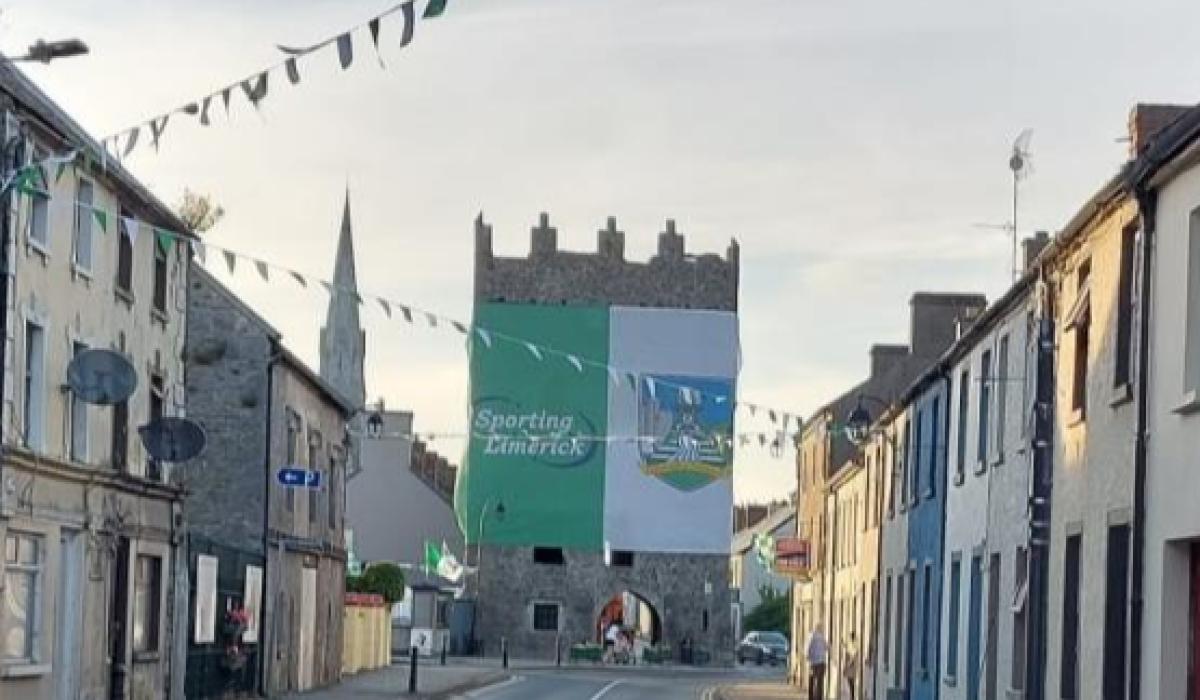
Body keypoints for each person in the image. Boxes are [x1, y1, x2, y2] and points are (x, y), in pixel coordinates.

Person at [805, 624, 829, 700]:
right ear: (819, 628)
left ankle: (811, 697)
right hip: (821, 662)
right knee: (819, 681)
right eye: (822, 628)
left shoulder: (810, 636)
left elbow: (807, 648)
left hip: (813, 662)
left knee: (812, 680)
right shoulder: (822, 637)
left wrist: (807, 658)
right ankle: (819, 697)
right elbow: (827, 647)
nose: (822, 629)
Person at [842, 631, 860, 700]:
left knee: (851, 681)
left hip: (851, 667)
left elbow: (852, 656)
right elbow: (848, 648)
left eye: (849, 638)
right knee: (850, 681)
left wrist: (847, 665)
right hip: (851, 666)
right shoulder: (852, 645)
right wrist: (843, 644)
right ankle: (852, 696)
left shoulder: (854, 645)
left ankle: (852, 697)